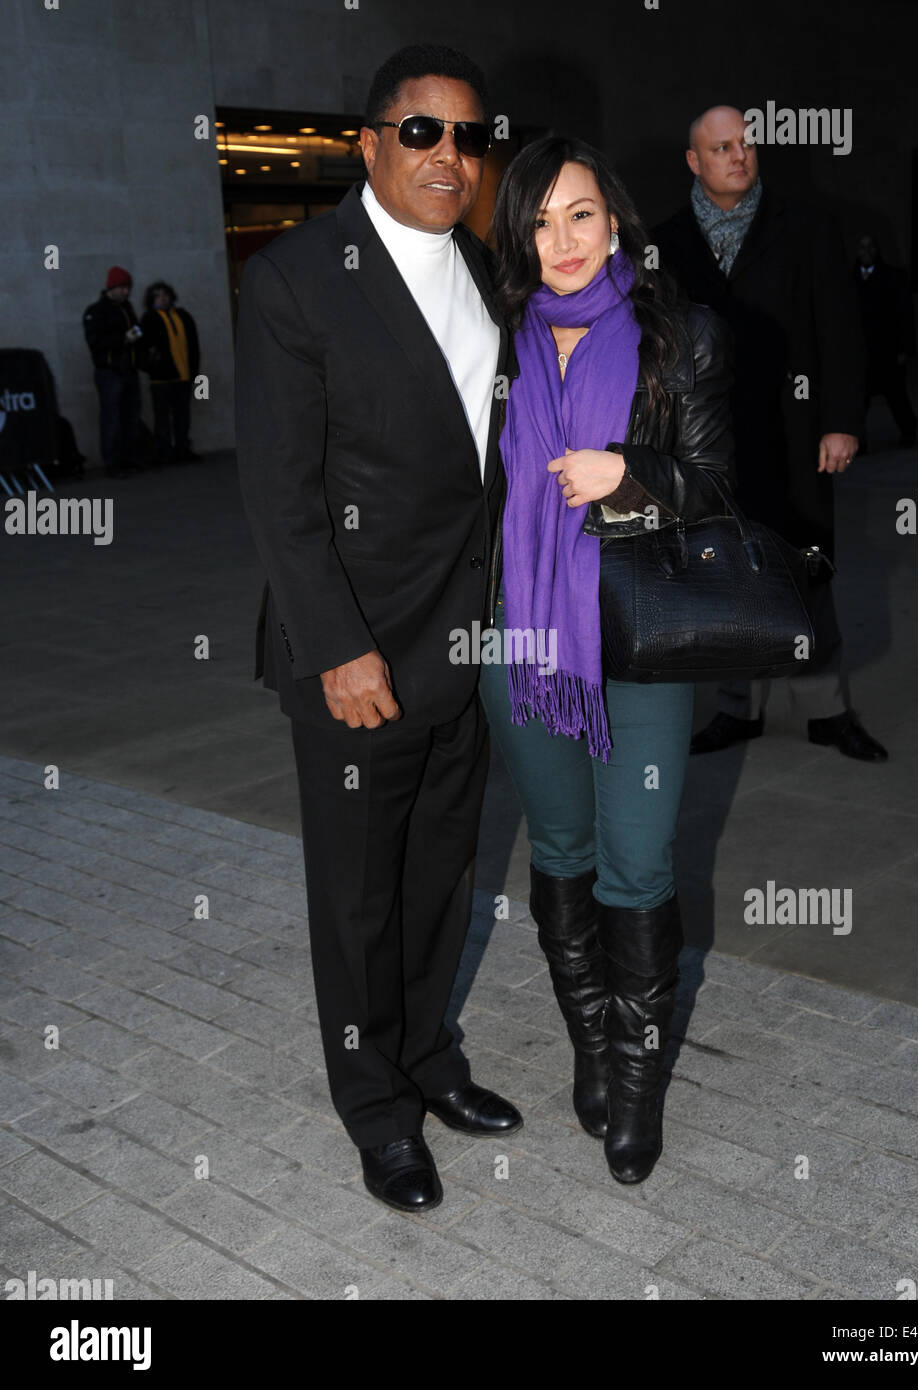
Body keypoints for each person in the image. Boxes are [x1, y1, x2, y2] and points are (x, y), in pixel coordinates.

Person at [235, 45, 518, 1216]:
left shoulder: (487, 271)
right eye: (421, 133)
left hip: (467, 647)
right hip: (358, 654)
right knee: (358, 898)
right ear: (368, 143)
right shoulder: (298, 279)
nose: (447, 156)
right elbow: (280, 493)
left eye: (466, 137)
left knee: (440, 875)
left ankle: (428, 1057)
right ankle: (374, 1107)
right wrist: (336, 648)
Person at [481, 135, 734, 1185]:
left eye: (577, 213)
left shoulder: (680, 334)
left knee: (637, 861)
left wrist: (628, 473)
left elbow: (715, 486)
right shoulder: (496, 342)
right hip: (524, 642)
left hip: (637, 636)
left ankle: (635, 1085)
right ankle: (589, 1042)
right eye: (536, 222)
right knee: (561, 852)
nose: (559, 241)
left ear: (616, 217)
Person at [653, 106, 888, 762]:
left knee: (804, 567)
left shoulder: (807, 227)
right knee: (724, 573)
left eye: (747, 145)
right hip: (707, 443)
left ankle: (824, 708)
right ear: (694, 162)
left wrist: (841, 420)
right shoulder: (664, 240)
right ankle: (737, 706)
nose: (739, 156)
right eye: (721, 147)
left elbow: (841, 330)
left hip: (794, 430)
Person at [854, 234, 918, 449]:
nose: (867, 252)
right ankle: (859, 441)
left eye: (871, 247)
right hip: (863, 351)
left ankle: (909, 430)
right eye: (863, 248)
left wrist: (905, 348)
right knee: (859, 399)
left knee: (896, 394)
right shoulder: (850, 280)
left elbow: (905, 315)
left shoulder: (892, 278)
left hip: (887, 349)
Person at [82, 266, 143, 478]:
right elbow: (95, 343)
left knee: (129, 417)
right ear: (112, 287)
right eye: (123, 287)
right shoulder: (96, 311)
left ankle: (127, 459)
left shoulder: (126, 308)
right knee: (113, 418)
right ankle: (113, 462)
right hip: (110, 372)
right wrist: (123, 339)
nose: (126, 292)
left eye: (128, 288)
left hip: (127, 369)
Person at [139, 282, 201, 463]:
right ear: (152, 300)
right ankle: (164, 452)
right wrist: (151, 367)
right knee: (162, 418)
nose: (162, 298)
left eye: (165, 294)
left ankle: (183, 449)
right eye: (157, 295)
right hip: (161, 379)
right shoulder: (149, 319)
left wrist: (194, 372)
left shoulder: (183, 316)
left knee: (183, 416)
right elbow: (142, 349)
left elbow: (194, 347)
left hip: (183, 376)